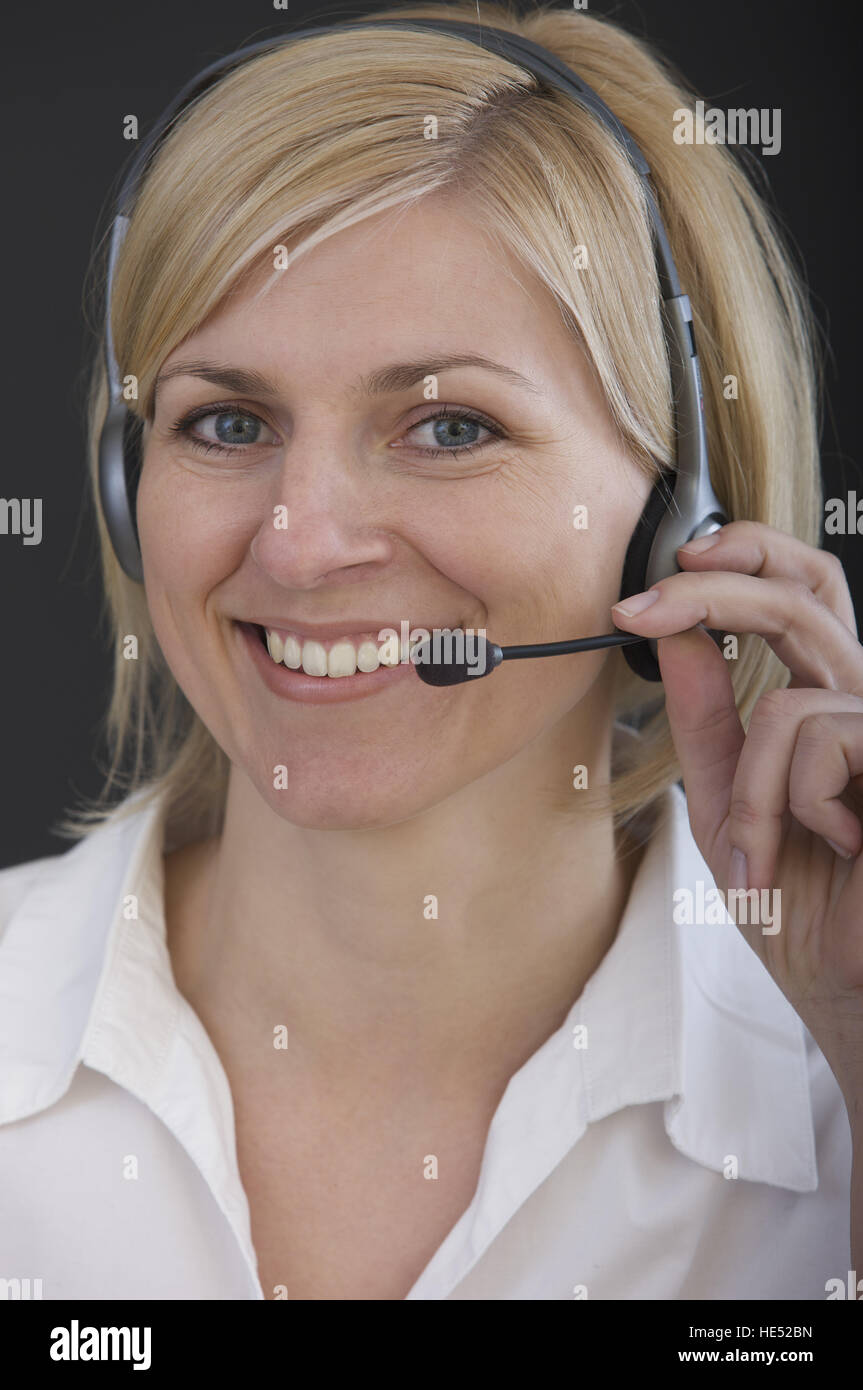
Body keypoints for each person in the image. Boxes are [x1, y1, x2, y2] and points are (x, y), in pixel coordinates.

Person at [1, 1, 861, 1302]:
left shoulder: (836, 1080)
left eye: (450, 426)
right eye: (228, 423)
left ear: (677, 516)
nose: (300, 545)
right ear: (128, 489)